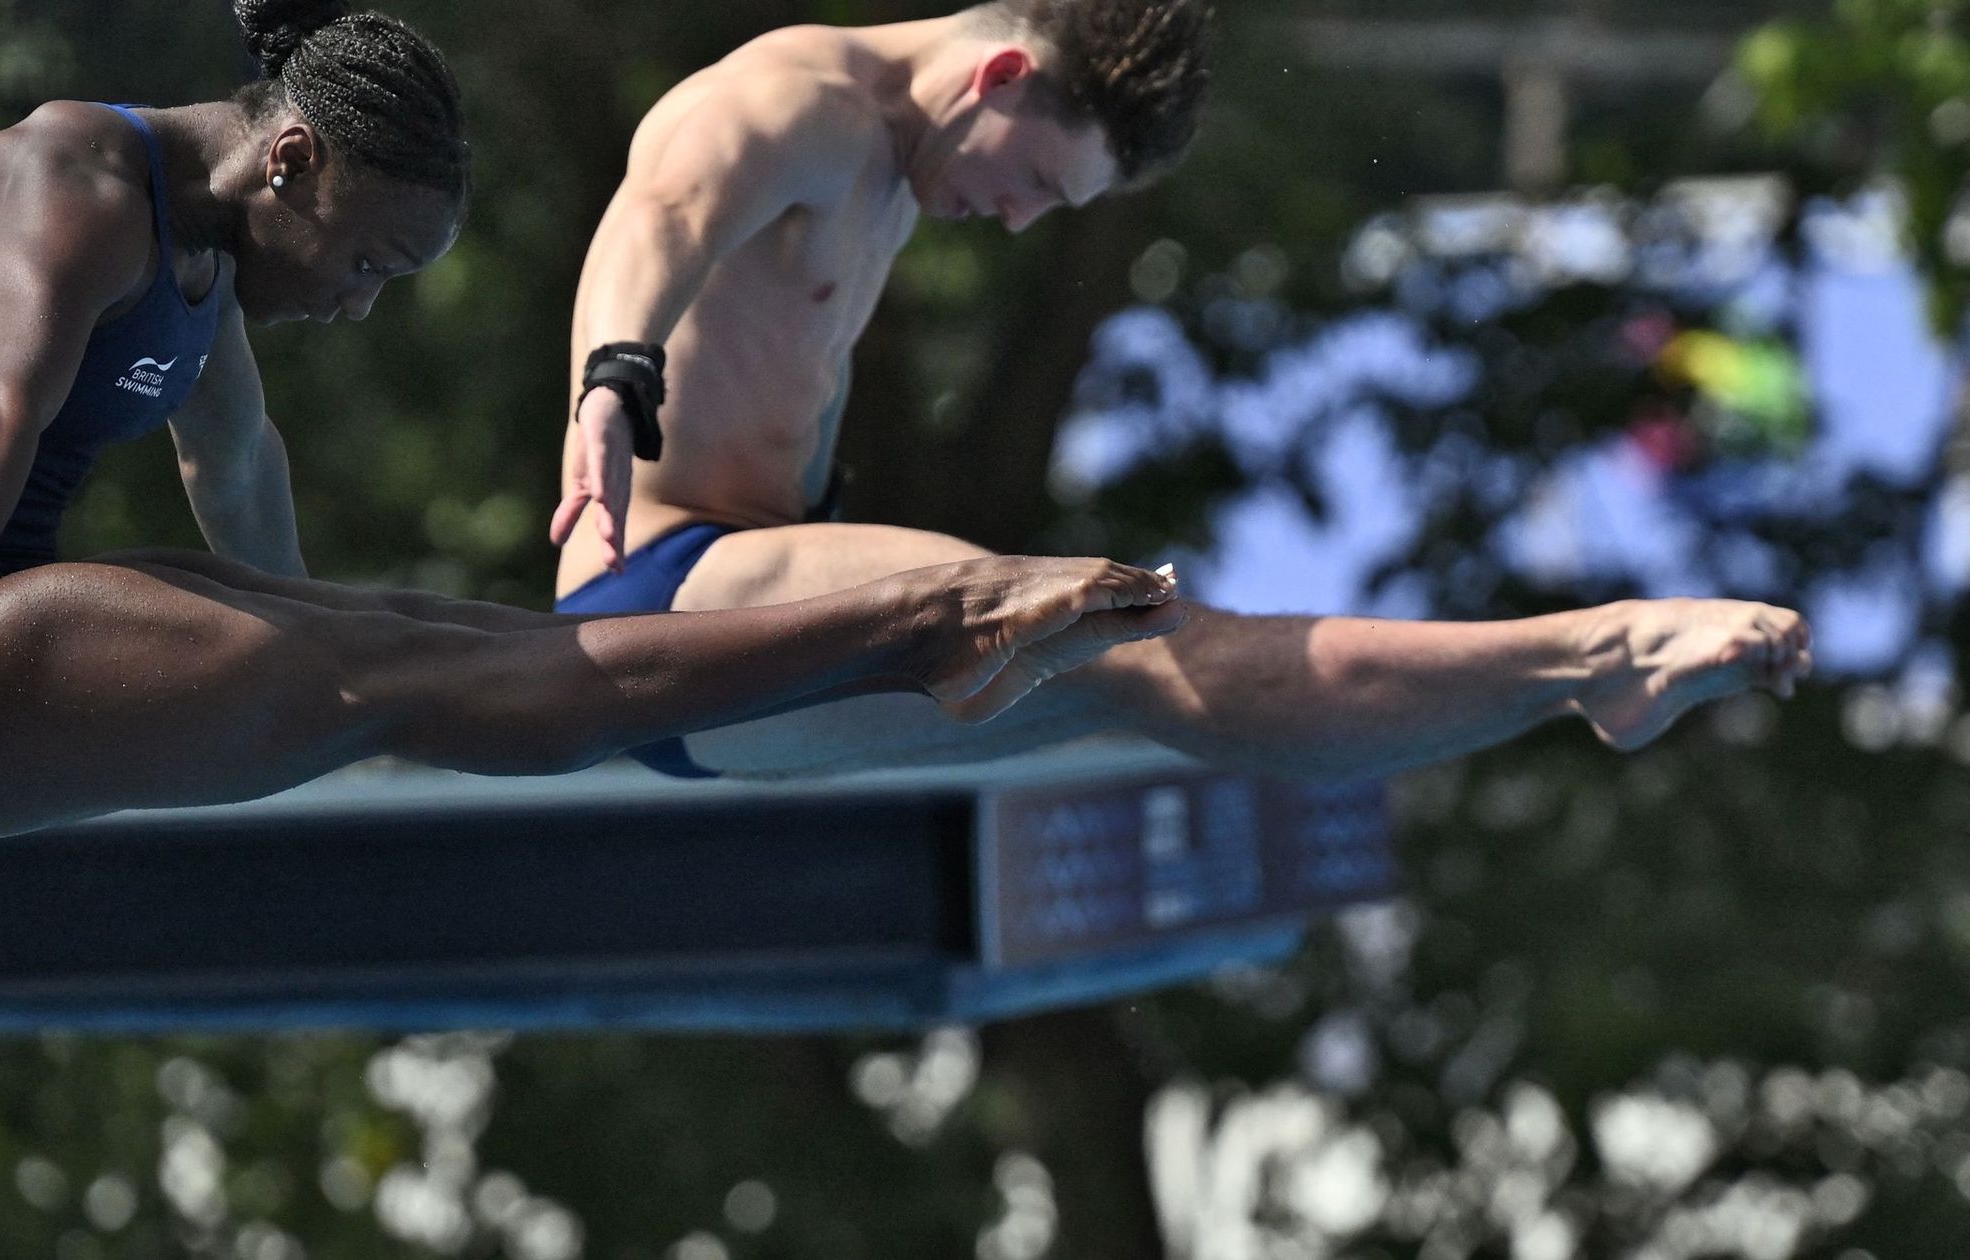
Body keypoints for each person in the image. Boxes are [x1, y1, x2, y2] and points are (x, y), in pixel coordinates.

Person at [0, 0, 1188, 844]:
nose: (354, 304)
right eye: (368, 264)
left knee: (436, 634)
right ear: (292, 160)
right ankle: (921, 623)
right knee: (401, 679)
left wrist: (307, 624)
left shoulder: (201, 255)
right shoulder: (79, 177)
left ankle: (895, 639)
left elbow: (237, 459)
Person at [549, 0, 1813, 780]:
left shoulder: (898, 160)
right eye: (1041, 182)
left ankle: (1572, 679)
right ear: (999, 79)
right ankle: (1594, 655)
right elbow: (659, 209)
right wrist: (614, 376)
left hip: (740, 612)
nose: (1019, 220)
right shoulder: (796, 103)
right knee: (1146, 646)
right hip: (663, 592)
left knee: (1172, 686)